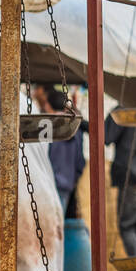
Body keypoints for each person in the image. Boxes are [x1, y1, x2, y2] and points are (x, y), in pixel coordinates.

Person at [103, 113, 136, 271]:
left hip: (131, 176)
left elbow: (105, 136)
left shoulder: (121, 112)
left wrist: (83, 123)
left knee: (127, 226)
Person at [32, 84, 86, 218]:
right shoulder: (74, 127)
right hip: (66, 184)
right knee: (57, 225)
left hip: (48, 183)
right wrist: (73, 180)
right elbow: (80, 161)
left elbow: (41, 157)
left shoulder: (46, 127)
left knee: (45, 225)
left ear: (48, 106)